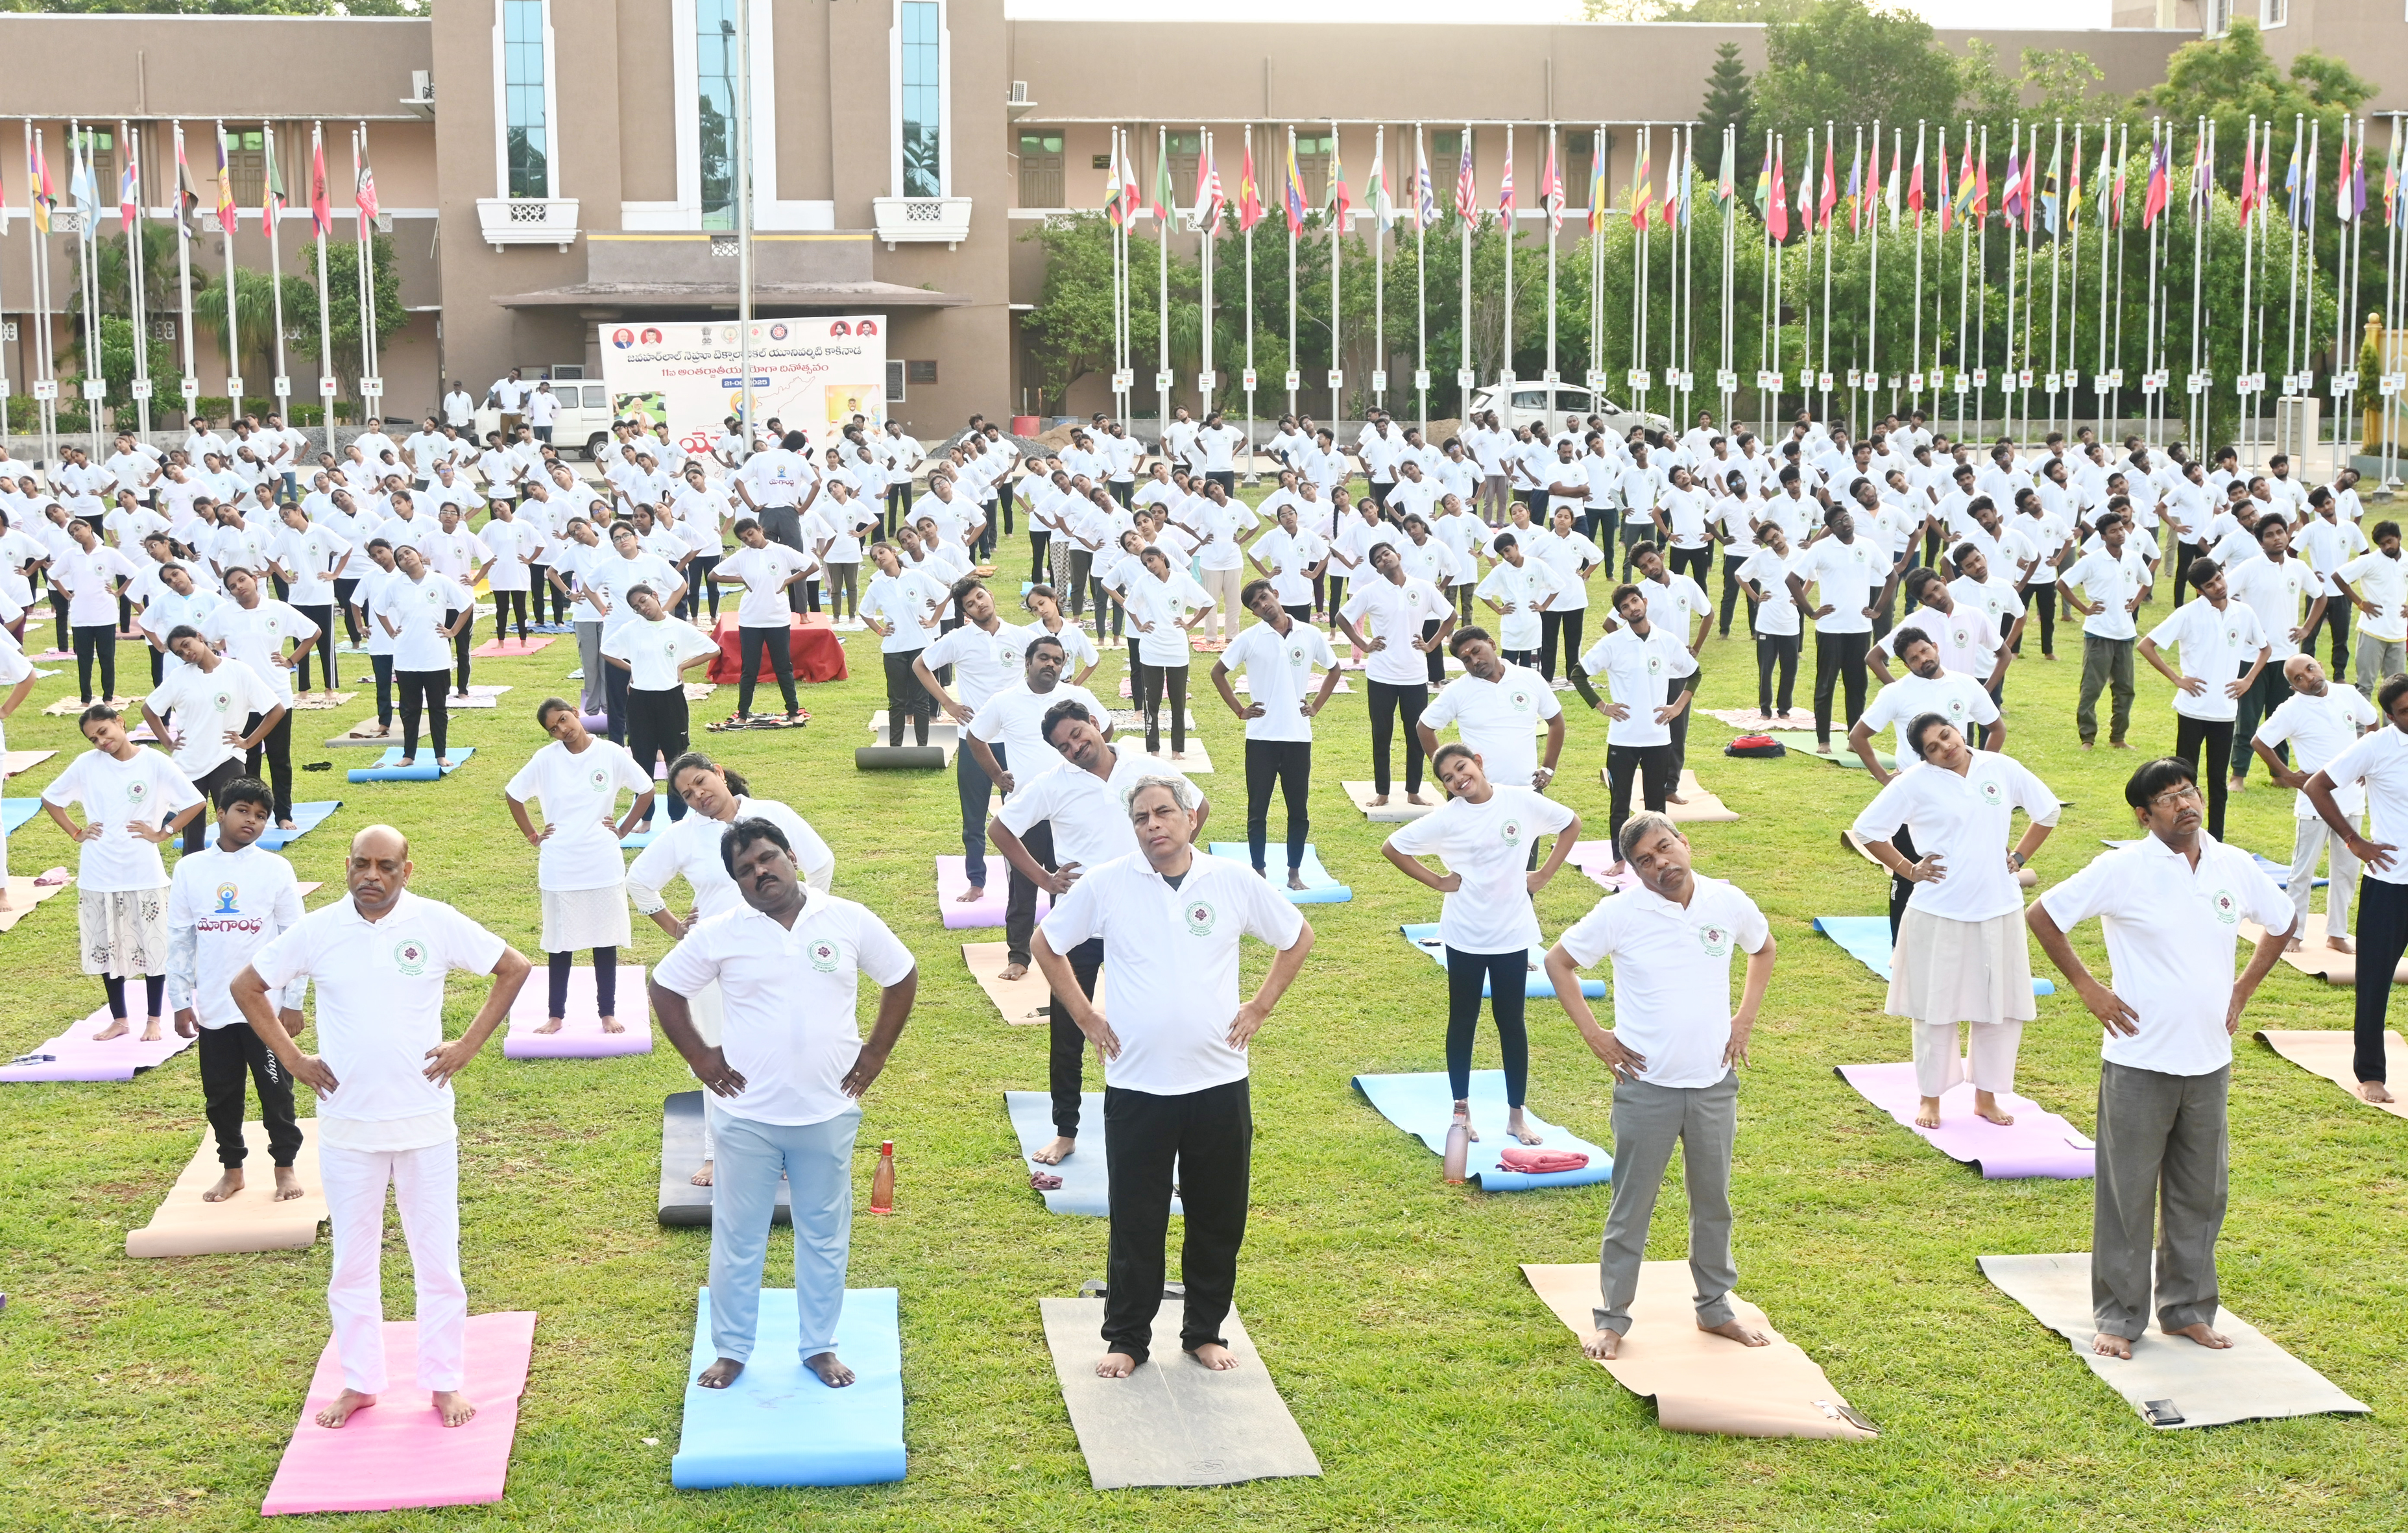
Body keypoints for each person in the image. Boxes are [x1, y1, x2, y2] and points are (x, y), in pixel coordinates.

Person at [232, 825, 533, 1429]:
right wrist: (293, 1059)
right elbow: (247, 986)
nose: (372, 876)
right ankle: (361, 1382)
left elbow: (514, 967)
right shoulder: (320, 929)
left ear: (406, 870)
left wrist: (468, 1045)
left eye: (385, 866)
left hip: (424, 1121)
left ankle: (444, 1381)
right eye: (362, 865)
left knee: (437, 1256)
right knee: (352, 1261)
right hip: (348, 1126)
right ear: (347, 867)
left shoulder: (435, 921)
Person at [1033, 774, 1313, 1377]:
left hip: (1218, 1079)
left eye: (1163, 812)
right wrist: (1085, 1014)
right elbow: (1046, 942)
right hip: (1138, 1083)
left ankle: (1204, 1330)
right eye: (1141, 818)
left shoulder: (1231, 880)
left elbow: (1297, 936)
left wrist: (1260, 1007)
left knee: (1218, 1212)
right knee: (1137, 1214)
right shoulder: (1109, 883)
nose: (1153, 825)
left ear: (1190, 817)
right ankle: (1128, 1338)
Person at [2027, 759, 2294, 1358]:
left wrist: (2243, 989)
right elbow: (2042, 914)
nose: (2185, 803)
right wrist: (2088, 987)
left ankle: (2187, 1309)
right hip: (2139, 1059)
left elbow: (2282, 922)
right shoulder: (2124, 867)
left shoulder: (2234, 865)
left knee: (2201, 1193)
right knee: (2128, 1193)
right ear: (2145, 816)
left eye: (2189, 790)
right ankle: (2119, 1320)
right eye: (2169, 798)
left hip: (2209, 1060)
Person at [649, 817, 916, 1392]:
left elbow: (901, 974)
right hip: (747, 1118)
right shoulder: (723, 931)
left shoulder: (846, 918)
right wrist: (699, 1056)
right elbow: (666, 987)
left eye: (768, 858)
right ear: (736, 882)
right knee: (738, 1237)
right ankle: (732, 1350)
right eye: (745, 869)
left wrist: (876, 1052)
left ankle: (819, 1346)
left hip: (828, 1112)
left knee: (824, 1234)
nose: (760, 872)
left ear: (791, 856)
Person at [1541, 812, 1777, 1362]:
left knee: (1713, 1201)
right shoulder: (1620, 912)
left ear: (1684, 842)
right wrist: (1595, 1035)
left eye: (1665, 848)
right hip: (1646, 1087)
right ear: (1632, 869)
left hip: (1714, 1083)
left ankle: (1715, 1307)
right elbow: (1559, 961)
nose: (1661, 864)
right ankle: (1612, 1319)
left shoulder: (1726, 900)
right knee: (1632, 1206)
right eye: (1645, 860)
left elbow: (1763, 948)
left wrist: (1744, 1020)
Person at [991, 702, 1209, 1158]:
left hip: (1142, 915)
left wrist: (1170, 859)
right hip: (1080, 921)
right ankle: (1066, 1131)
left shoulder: (1142, 764)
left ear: (1094, 722)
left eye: (1077, 734)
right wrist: (1045, 879)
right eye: (1063, 745)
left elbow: (1198, 805)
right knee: (1070, 1028)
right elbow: (1001, 829)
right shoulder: (1053, 785)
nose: (1074, 747)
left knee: (1153, 1019)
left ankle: (1160, 1125)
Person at [630, 753, 836, 1187]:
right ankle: (715, 1150)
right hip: (715, 958)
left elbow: (820, 862)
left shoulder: (772, 814)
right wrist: (675, 927)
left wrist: (804, 918)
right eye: (687, 793)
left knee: (779, 1047)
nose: (699, 795)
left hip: (777, 953)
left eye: (702, 782)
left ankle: (779, 1147)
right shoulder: (683, 835)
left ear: (719, 773)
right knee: (720, 1053)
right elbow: (638, 880)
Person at [1851, 714, 2061, 1126]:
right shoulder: (1915, 782)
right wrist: (1909, 869)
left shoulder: (1999, 767)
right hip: (1938, 911)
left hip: (1999, 907)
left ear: (1956, 729)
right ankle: (1931, 1098)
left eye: (1945, 736)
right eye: (1932, 747)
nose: (1944, 747)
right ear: (1925, 757)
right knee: (1935, 1009)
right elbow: (1867, 829)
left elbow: (2048, 810)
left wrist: (2018, 858)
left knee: (1999, 1009)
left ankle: (1987, 1096)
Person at [1382, 742, 1580, 1145]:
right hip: (1465, 935)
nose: (1458, 780)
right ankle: (1462, 1112)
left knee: (1512, 1024)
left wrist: (1543, 874)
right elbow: (1393, 847)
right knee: (1464, 1021)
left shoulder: (1521, 802)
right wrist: (1438, 881)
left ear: (1479, 762)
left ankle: (1516, 1116)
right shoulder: (1446, 819)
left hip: (1512, 933)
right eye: (1449, 779)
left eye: (1461, 768)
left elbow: (1571, 823)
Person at [166, 777, 309, 1203]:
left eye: (261, 815)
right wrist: (179, 1001)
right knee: (221, 1095)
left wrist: (295, 1002)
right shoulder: (191, 869)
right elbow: (179, 939)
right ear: (221, 813)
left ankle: (284, 1167)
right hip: (213, 1005)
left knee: (276, 1090)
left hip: (266, 1008)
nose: (252, 821)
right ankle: (233, 1170)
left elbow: (297, 938)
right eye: (243, 811)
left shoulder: (275, 869)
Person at [41, 705, 206, 1041]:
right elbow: (51, 798)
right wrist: (76, 832)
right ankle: (120, 1019)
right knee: (106, 947)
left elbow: (195, 801)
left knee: (154, 946)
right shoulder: (86, 765)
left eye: (104, 732)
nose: (101, 742)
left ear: (120, 722)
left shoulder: (155, 762)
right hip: (98, 872)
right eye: (93, 739)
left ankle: (154, 1019)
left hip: (143, 870)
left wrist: (164, 832)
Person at [504, 697, 655, 1033]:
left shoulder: (611, 754)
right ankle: (556, 1015)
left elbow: (646, 790)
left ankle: (607, 1013)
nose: (562, 730)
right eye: (553, 729)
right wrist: (532, 835)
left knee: (605, 940)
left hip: (602, 860)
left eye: (563, 720)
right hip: (560, 862)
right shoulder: (545, 760)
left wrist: (624, 829)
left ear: (575, 711)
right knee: (561, 942)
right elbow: (513, 794)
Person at [2302, 673, 2408, 1105]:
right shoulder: (2376, 747)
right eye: (2405, 712)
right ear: (2388, 715)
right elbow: (2316, 786)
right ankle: (2370, 1074)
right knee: (2374, 981)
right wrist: (2353, 839)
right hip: (2389, 884)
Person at [1210, 579, 1344, 887]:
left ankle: (1294, 873)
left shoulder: (1309, 634)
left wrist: (1317, 706)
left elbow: (1334, 669)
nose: (1263, 605)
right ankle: (1258, 871)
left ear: (1276, 595)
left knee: (1299, 810)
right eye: (1255, 605)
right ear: (1254, 613)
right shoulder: (1250, 638)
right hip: (1261, 738)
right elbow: (1218, 672)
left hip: (1298, 736)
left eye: (1264, 598)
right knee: (1258, 810)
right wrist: (1240, 710)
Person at [918, 579, 1032, 902]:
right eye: (970, 603)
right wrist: (949, 704)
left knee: (1024, 811)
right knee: (974, 818)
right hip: (975, 741)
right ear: (965, 612)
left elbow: (1047, 665)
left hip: (1015, 741)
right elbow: (921, 665)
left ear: (991, 596)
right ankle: (977, 882)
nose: (979, 604)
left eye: (981, 597)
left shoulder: (1021, 636)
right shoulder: (959, 639)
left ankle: (1027, 875)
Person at [2252, 655, 2376, 957]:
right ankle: (2293, 934)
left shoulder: (2346, 694)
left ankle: (2337, 934)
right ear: (2293, 686)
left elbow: (2373, 722)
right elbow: (2260, 741)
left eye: (2309, 669)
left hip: (2351, 799)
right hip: (2314, 803)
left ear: (2319, 665)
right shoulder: (2292, 709)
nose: (2308, 678)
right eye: (2298, 678)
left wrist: (2367, 763)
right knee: (2302, 871)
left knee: (2346, 871)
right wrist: (2288, 775)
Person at [2139, 561, 2271, 841]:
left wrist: (2247, 680)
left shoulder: (2244, 612)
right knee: (2182, 782)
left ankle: (2217, 839)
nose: (2219, 586)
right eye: (2210, 584)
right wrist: (2177, 679)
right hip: (2192, 709)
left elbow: (2265, 648)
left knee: (2218, 782)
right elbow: (2146, 645)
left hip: (2224, 711)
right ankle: (2184, 835)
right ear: (2199, 591)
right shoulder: (2187, 614)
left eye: (2219, 579)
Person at [1576, 585, 1692, 868]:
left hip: (1657, 738)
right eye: (1626, 607)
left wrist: (1677, 707)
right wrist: (1603, 706)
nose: (1633, 608)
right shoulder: (1612, 643)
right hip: (1623, 738)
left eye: (1635, 602)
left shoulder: (1667, 640)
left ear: (1645, 602)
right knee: (1620, 804)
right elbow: (1578, 674)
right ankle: (1619, 860)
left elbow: (1694, 673)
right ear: (1621, 614)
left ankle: (1659, 858)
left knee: (1656, 807)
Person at [140, 627, 283, 853]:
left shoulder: (238, 671)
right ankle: (194, 877)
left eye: (187, 645)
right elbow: (149, 709)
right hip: (189, 761)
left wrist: (248, 742)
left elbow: (276, 709)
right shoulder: (179, 677)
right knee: (192, 832)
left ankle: (239, 870)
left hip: (227, 757)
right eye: (179, 652)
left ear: (200, 637)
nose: (186, 653)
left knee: (235, 823)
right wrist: (168, 742)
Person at [200, 566, 320, 829]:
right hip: (241, 696)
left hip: (276, 692)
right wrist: (220, 658)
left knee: (279, 758)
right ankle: (250, 815)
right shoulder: (224, 614)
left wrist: (291, 660)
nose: (239, 587)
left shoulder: (278, 609)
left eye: (242, 580)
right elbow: (203, 639)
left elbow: (313, 632)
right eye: (232, 586)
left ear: (255, 580)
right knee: (247, 757)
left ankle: (283, 814)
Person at [1336, 542, 1453, 808]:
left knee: (1417, 735)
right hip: (1381, 675)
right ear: (1377, 568)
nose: (1384, 559)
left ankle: (1413, 791)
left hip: (1414, 675)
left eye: (1387, 554)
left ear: (1398, 556)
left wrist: (1431, 645)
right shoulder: (1371, 592)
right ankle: (1383, 792)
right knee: (1382, 734)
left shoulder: (1423, 587)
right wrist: (1364, 644)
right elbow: (1342, 617)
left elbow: (1451, 616)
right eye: (1378, 559)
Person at [1788, 503, 1900, 754]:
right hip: (1830, 629)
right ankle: (1824, 740)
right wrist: (1811, 612)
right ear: (1831, 528)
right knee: (1826, 684)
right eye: (1838, 522)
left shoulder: (1867, 545)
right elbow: (1792, 579)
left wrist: (1879, 610)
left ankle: (1854, 739)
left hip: (1860, 628)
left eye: (1846, 518)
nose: (1845, 524)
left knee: (1857, 685)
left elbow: (1892, 576)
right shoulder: (1821, 548)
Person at [2060, 513, 2152, 751]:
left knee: (2125, 689)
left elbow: (2148, 582)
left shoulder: (2133, 558)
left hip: (2126, 634)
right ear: (2103, 537)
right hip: (2099, 634)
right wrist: (2084, 609)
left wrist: (2135, 603)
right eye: (2113, 531)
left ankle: (2118, 738)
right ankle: (2087, 739)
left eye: (2121, 529)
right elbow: (2062, 583)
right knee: (2092, 688)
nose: (2120, 533)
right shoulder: (2092, 561)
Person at [376, 545, 472, 768]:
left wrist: (453, 631)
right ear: (398, 565)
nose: (405, 558)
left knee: (438, 707)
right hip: (406, 657)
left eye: (408, 553)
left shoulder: (440, 581)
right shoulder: (395, 586)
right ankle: (409, 755)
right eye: (400, 557)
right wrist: (391, 631)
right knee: (409, 709)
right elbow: (379, 608)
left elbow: (466, 605)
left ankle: (441, 754)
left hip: (435, 656)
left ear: (419, 556)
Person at [860, 540, 947, 748]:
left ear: (893, 552)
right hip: (894, 649)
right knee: (897, 701)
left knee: (921, 699)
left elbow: (943, 595)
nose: (879, 558)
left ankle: (923, 747)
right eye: (875, 557)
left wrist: (934, 621)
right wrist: (880, 630)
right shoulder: (877, 586)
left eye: (882, 552)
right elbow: (865, 612)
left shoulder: (916, 576)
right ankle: (895, 748)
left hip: (920, 646)